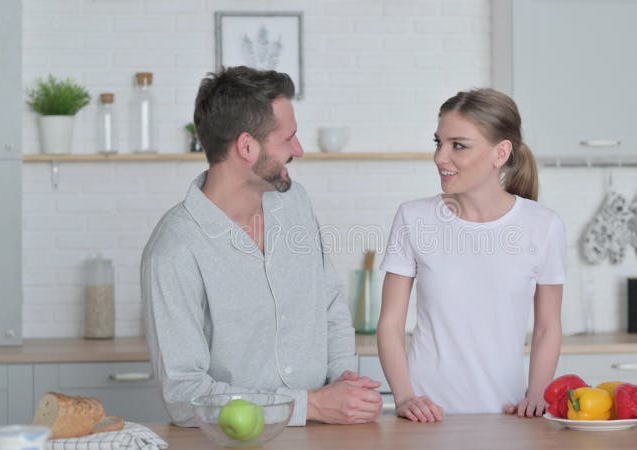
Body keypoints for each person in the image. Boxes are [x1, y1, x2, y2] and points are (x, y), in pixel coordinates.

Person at [141, 66, 383, 427]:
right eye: (288, 139)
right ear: (246, 147)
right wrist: (311, 406)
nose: (298, 150)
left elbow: (330, 306)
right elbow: (184, 394)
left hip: (328, 433)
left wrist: (344, 381)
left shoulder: (295, 203)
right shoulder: (174, 249)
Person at [377, 88, 565, 422]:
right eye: (438, 143)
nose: (439, 157)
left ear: (500, 153)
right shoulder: (413, 218)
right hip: (426, 418)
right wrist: (405, 397)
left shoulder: (543, 226)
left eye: (458, 145)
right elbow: (390, 324)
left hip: (508, 418)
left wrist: (537, 394)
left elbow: (547, 327)